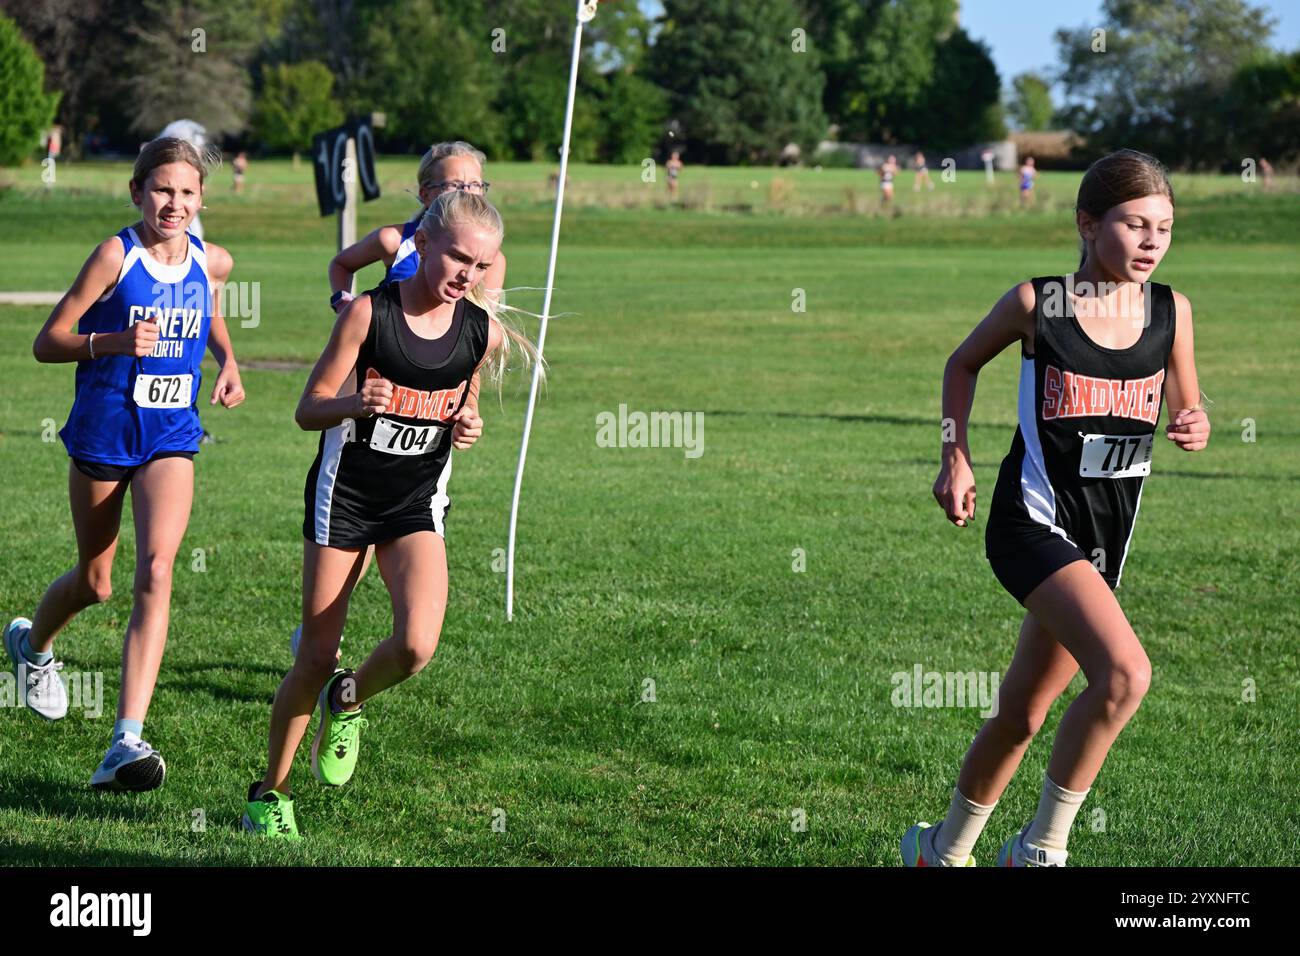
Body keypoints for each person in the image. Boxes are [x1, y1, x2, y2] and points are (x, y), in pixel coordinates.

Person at [905, 148, 1210, 867]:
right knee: (1126, 675)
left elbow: (1188, 406)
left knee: (1022, 713)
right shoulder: (1036, 305)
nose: (1151, 242)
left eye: (1163, 228)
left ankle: (940, 852)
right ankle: (1041, 850)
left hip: (1105, 545)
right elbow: (962, 363)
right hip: (1031, 526)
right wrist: (955, 453)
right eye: (1133, 225)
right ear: (1086, 223)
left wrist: (1195, 421)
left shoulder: (1172, 311)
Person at [243, 191, 539, 838]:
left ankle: (347, 700)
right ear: (424, 245)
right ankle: (271, 793)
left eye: (483, 265)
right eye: (458, 256)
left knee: (415, 646)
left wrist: (468, 424)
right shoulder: (368, 316)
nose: (469, 273)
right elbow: (307, 409)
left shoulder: (479, 332)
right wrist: (355, 403)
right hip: (345, 498)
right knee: (316, 654)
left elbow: (466, 402)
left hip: (414, 504)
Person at [7, 137, 245, 791]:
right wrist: (110, 340)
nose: (175, 203)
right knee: (96, 581)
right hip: (103, 436)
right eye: (163, 190)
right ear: (138, 192)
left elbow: (209, 308)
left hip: (171, 434)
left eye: (188, 193)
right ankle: (31, 646)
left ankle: (125, 740)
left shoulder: (211, 258)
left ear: (202, 200)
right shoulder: (116, 255)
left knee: (158, 570)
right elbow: (46, 341)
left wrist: (226, 361)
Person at [293, 142, 508, 657]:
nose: (469, 192)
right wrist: (343, 304)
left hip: (425, 414)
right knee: (352, 533)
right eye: (457, 185)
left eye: (478, 185)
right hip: (369, 393)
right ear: (427, 192)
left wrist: (468, 409)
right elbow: (341, 265)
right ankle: (325, 628)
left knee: (398, 542)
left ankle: (335, 643)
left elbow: (472, 349)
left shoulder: (486, 260)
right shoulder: (397, 240)